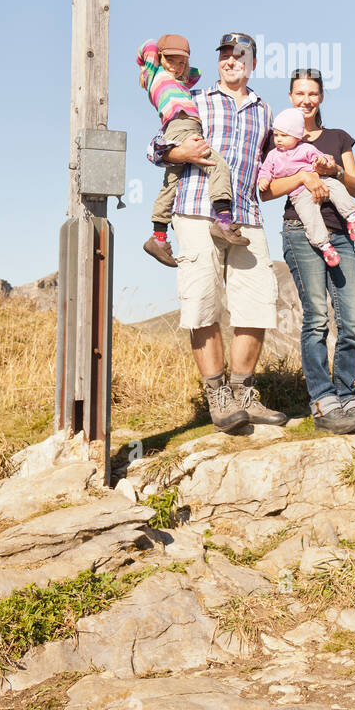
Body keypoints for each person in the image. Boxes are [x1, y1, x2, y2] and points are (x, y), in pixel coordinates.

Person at [147, 32, 286, 434]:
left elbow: (266, 169)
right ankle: (218, 399)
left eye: (239, 55)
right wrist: (180, 153)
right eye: (225, 55)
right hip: (194, 212)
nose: (231, 61)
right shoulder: (197, 100)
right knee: (202, 303)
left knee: (257, 303)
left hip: (246, 217)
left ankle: (243, 394)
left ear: (252, 63)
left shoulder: (265, 111)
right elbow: (156, 147)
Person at [259, 69, 355, 434]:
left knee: (352, 322)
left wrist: (333, 170)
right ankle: (323, 401)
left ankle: (348, 396)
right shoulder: (277, 137)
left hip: (341, 232)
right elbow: (265, 191)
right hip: (301, 231)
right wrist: (303, 177)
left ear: (321, 97)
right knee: (316, 320)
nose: (306, 100)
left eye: (313, 93)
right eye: (299, 93)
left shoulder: (337, 138)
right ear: (291, 96)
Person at [136, 33, 248, 267]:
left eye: (182, 62)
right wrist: (159, 58)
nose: (177, 66)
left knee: (170, 185)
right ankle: (224, 221)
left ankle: (158, 237)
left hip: (181, 129)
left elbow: (195, 73)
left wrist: (181, 64)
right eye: (172, 60)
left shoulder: (180, 81)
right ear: (160, 57)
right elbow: (148, 45)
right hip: (182, 127)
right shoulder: (154, 74)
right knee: (218, 166)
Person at [258, 107, 355, 267]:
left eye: (284, 135)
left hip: (320, 180)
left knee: (336, 187)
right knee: (309, 217)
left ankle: (351, 217)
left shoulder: (305, 148)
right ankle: (324, 245)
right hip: (299, 193)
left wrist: (323, 162)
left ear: (297, 136)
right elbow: (265, 170)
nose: (278, 139)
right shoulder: (273, 155)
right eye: (277, 135)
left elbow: (321, 157)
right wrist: (263, 179)